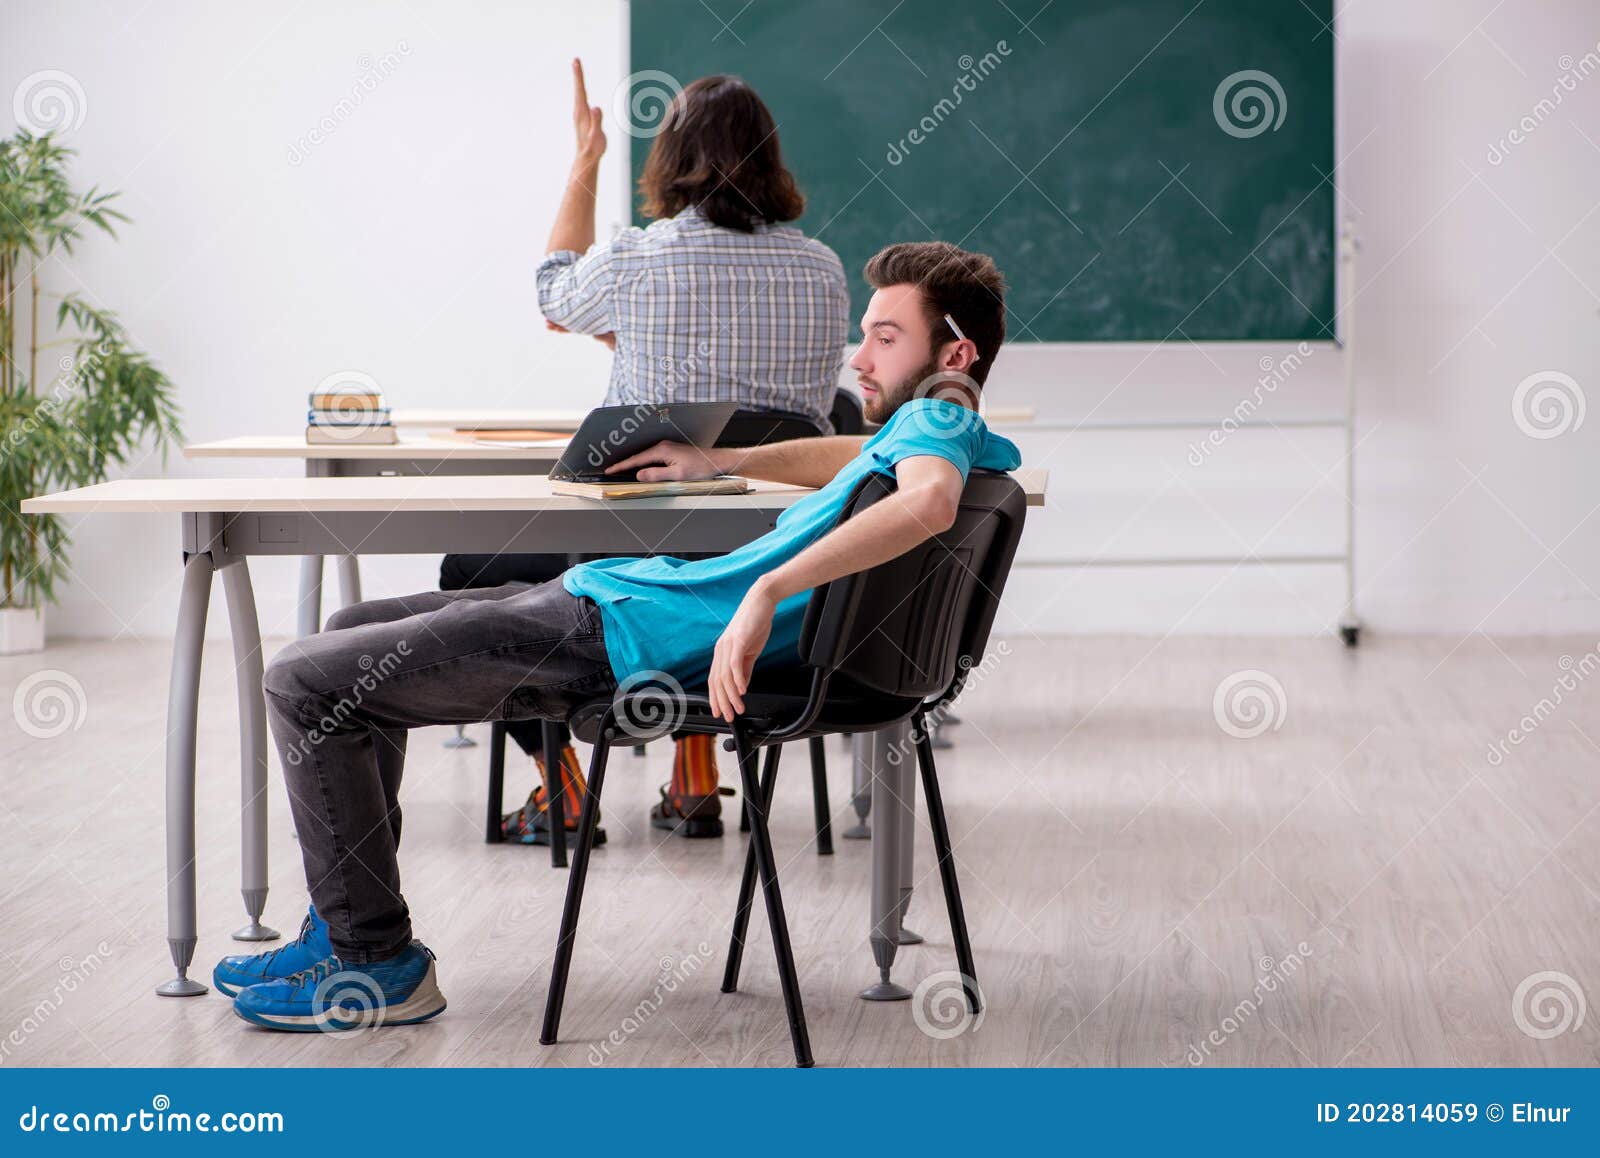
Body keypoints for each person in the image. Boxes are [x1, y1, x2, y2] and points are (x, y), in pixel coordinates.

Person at [221, 241, 1020, 1031]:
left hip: (620, 637)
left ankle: (373, 960)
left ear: (954, 352)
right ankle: (342, 932)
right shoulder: (937, 426)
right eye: (866, 331)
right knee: (353, 629)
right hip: (619, 604)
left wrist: (768, 592)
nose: (860, 356)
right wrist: (720, 459)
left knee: (304, 678)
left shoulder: (938, 423)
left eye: (888, 337)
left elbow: (929, 503)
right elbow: (854, 455)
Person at [442, 60, 849, 846]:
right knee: (703, 565)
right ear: (772, 159)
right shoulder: (824, 268)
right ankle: (695, 769)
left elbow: (554, 293)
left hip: (639, 545)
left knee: (470, 572)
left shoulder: (639, 257)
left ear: (668, 162)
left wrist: (585, 161)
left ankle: (559, 787)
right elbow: (768, 398)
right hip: (768, 560)